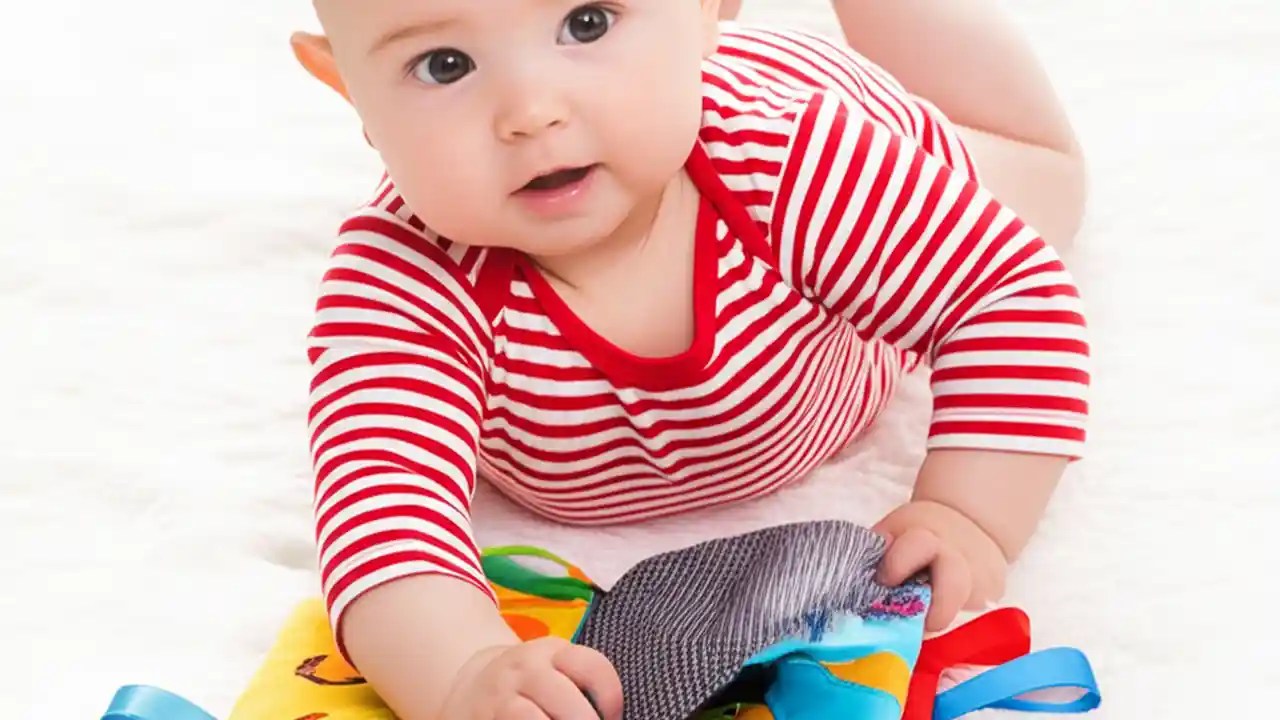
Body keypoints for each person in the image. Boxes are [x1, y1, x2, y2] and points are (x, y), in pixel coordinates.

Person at [289, 0, 1090, 718]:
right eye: (444, 66)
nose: (530, 114)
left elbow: (1009, 294)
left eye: (589, 22)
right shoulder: (401, 286)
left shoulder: (799, 164)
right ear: (353, 93)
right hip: (692, 90)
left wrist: (968, 514)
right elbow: (383, 518)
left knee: (1047, 179)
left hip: (853, 125)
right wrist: (464, 670)